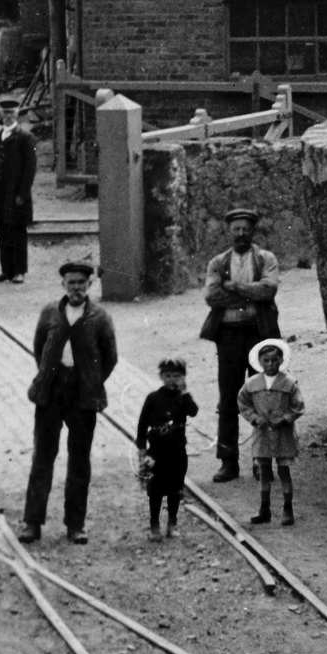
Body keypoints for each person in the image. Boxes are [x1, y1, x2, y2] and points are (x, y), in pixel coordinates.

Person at [20, 257, 117, 544]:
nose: (76, 287)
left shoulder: (100, 317)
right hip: (50, 395)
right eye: (71, 282)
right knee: (42, 458)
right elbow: (39, 348)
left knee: (79, 462)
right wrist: (50, 375)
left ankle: (75, 524)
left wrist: (90, 381)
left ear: (90, 284)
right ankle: (32, 523)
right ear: (63, 284)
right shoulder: (50, 311)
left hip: (83, 398)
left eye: (81, 283)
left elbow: (110, 357)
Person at [198, 207, 282, 482]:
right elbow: (211, 296)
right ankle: (228, 462)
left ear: (253, 231)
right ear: (229, 231)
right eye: (236, 229)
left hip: (260, 334)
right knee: (229, 399)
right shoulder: (218, 262)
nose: (241, 233)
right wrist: (249, 294)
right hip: (229, 337)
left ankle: (262, 460)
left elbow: (268, 290)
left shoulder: (266, 259)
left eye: (246, 228)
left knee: (263, 397)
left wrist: (233, 287)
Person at [240, 337, 304, 527]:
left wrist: (285, 419)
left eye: (275, 360)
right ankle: (264, 509)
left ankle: (287, 509)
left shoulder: (289, 383)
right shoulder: (251, 384)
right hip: (263, 434)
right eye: (266, 360)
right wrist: (254, 418)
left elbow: (298, 406)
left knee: (284, 471)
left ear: (282, 361)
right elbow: (243, 403)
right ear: (259, 362)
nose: (270, 364)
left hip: (283, 434)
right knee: (264, 471)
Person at [134, 356, 197, 542]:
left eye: (176, 376)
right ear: (161, 376)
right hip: (157, 451)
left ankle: (172, 523)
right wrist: (141, 448)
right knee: (155, 489)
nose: (172, 379)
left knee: (175, 488)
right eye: (168, 375)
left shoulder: (183, 398)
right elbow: (142, 424)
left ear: (183, 377)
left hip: (177, 450)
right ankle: (154, 525)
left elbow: (193, 411)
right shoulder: (153, 398)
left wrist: (185, 392)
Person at [0, 108, 37, 284]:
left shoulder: (26, 138)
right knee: (3, 231)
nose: (8, 117)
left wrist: (22, 193)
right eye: (5, 113)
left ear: (16, 115)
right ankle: (6, 270)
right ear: (1, 115)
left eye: (11, 113)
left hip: (16, 193)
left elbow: (30, 168)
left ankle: (19, 271)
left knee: (18, 231)